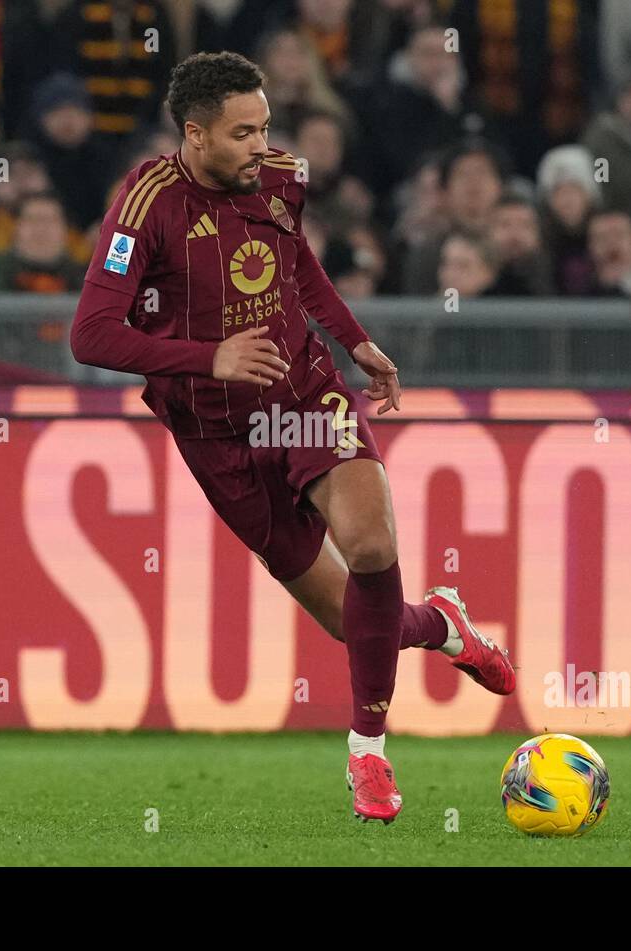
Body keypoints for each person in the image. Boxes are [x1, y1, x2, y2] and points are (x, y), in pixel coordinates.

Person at [70, 52, 514, 824]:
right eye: (243, 133)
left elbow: (296, 264)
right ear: (195, 134)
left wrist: (355, 340)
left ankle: (368, 755)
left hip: (304, 396)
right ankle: (444, 625)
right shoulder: (145, 204)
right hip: (217, 439)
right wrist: (208, 357)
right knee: (353, 620)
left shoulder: (277, 178)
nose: (262, 146)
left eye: (266, 127)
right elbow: (91, 333)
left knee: (372, 548)